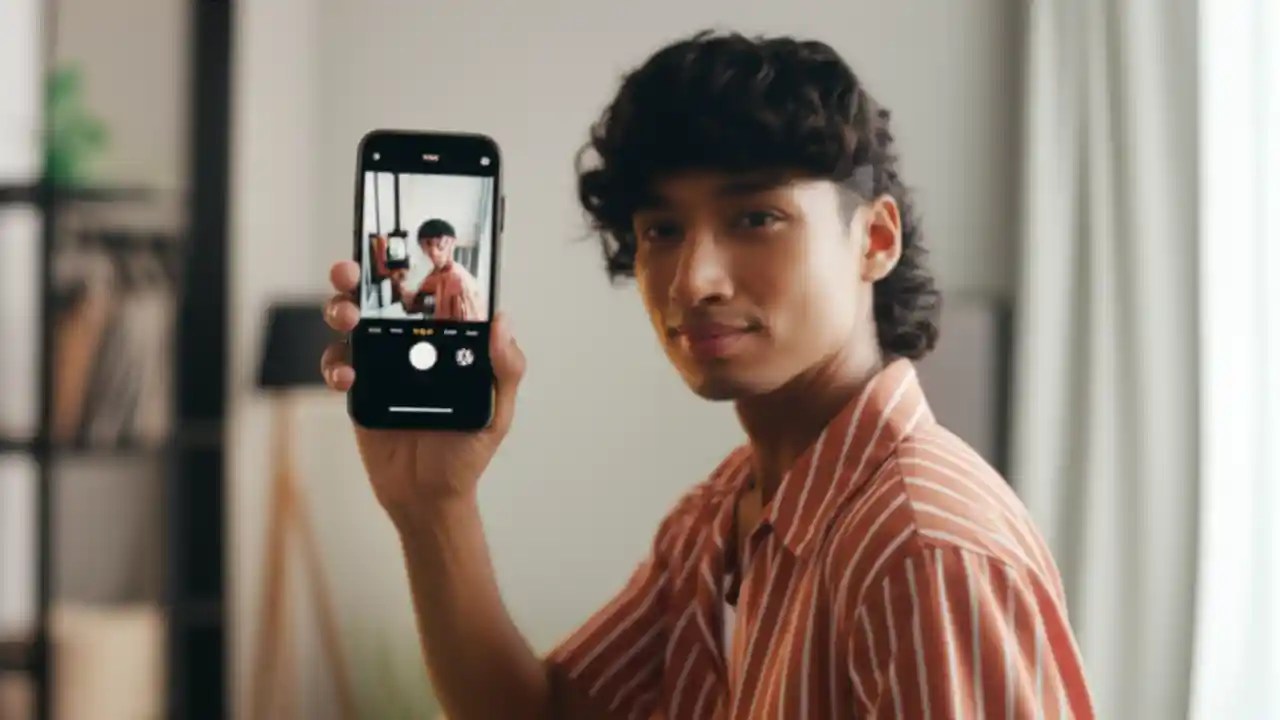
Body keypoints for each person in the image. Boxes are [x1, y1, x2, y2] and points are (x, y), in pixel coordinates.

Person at [321, 31, 1095, 720]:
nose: (694, 281)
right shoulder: (720, 515)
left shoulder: (921, 551)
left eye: (756, 218)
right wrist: (434, 508)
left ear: (876, 240)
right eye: (662, 229)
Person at [392, 218, 485, 321]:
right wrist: (399, 284)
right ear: (421, 247)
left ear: (452, 243)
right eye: (428, 244)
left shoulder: (456, 279)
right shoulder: (434, 274)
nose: (434, 252)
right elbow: (413, 305)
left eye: (440, 245)